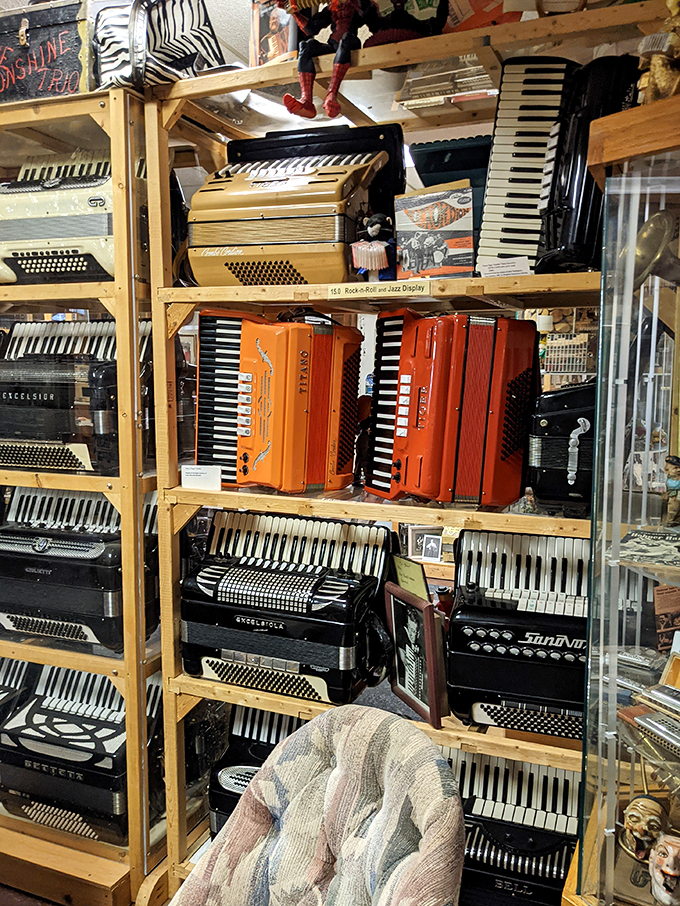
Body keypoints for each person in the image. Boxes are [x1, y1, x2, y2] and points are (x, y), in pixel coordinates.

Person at [277, 0, 376, 118]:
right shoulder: (332, 6)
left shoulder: (360, 3)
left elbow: (375, 25)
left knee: (345, 39)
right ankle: (306, 101)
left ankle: (331, 94)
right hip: (334, 44)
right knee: (306, 45)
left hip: (350, 42)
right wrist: (294, 12)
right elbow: (311, 29)